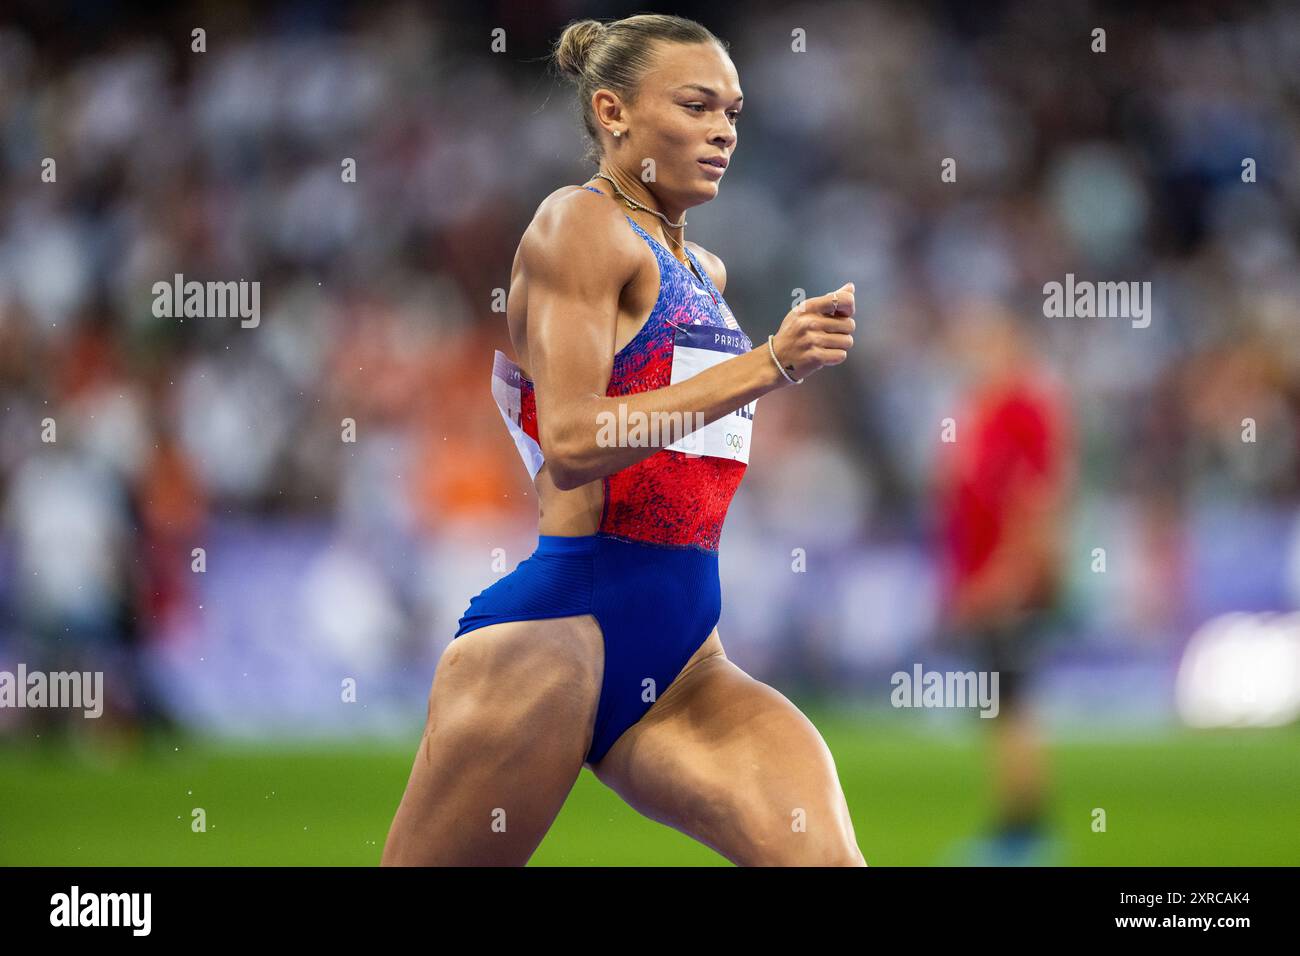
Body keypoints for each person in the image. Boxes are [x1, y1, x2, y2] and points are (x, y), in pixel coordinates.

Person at [382, 14, 864, 866]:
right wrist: (769, 366)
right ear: (613, 112)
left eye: (734, 111)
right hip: (552, 642)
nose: (723, 130)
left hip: (686, 665)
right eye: (696, 105)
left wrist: (766, 369)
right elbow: (571, 438)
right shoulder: (578, 225)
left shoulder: (704, 271)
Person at [935, 298, 1074, 864]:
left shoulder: (1023, 408)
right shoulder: (982, 408)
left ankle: (1025, 832)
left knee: (1013, 701)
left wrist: (1008, 576)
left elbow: (1035, 500)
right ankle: (1016, 825)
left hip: (1008, 583)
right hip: (983, 580)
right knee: (999, 704)